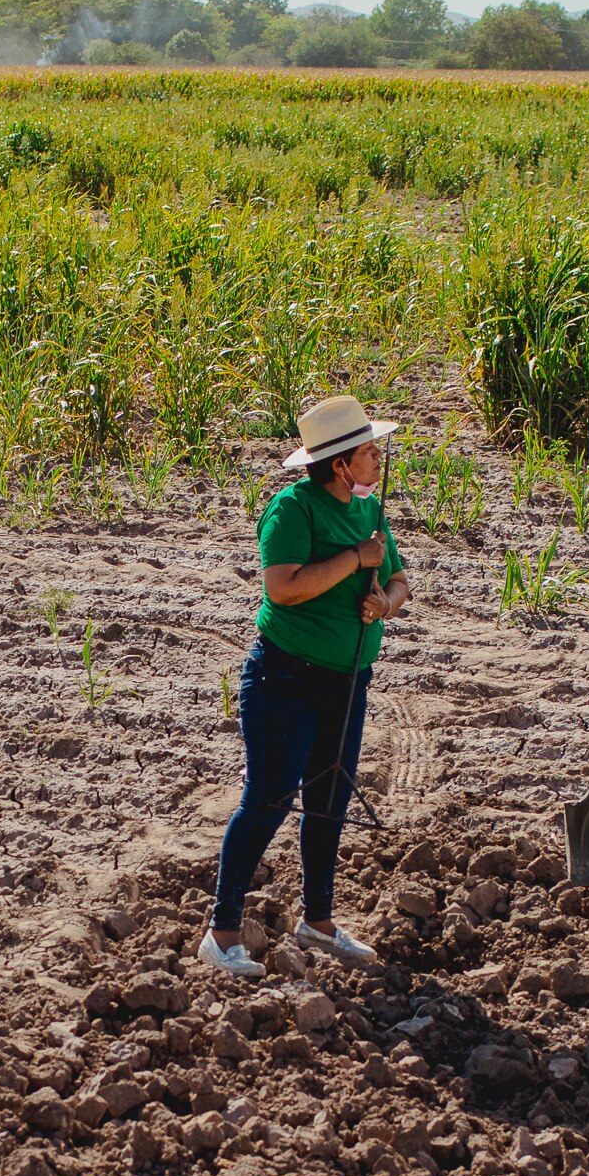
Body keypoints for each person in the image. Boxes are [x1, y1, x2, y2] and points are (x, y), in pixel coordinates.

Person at [201, 394, 416, 978]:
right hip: (285, 677)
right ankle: (221, 933)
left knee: (330, 799)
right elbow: (283, 589)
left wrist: (385, 604)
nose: (379, 457)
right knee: (269, 798)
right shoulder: (291, 510)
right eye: (369, 450)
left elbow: (398, 579)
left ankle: (317, 920)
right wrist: (353, 561)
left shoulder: (370, 513)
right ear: (341, 463)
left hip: (349, 679)